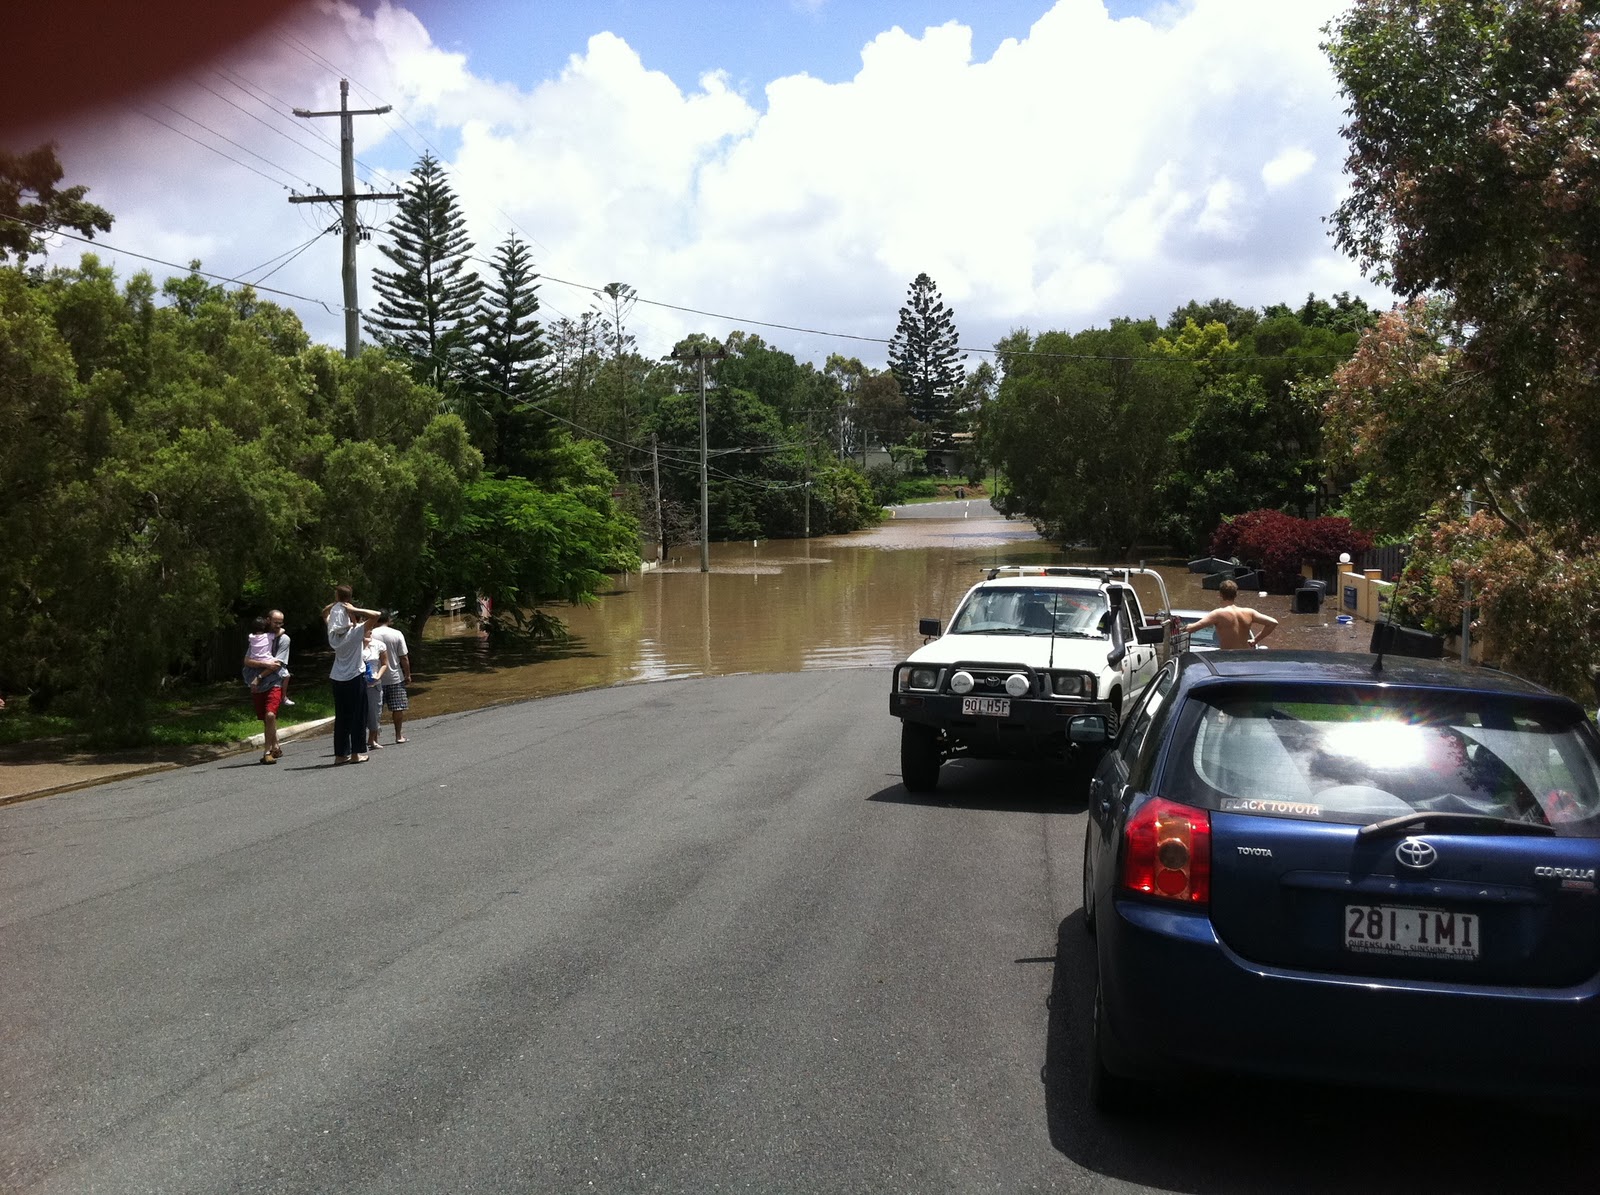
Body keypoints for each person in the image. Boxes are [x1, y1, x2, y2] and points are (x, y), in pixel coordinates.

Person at [324, 584, 382, 765]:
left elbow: (325, 615)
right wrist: (352, 608)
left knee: (342, 717)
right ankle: (357, 753)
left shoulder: (332, 635)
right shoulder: (356, 633)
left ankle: (340, 755)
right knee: (358, 715)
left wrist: (337, 603)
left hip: (337, 678)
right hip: (354, 677)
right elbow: (376, 615)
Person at [243, 611, 293, 764]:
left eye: (281, 623)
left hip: (274, 681)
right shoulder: (259, 638)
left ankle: (267, 752)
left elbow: (277, 664)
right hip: (257, 684)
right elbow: (247, 660)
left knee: (270, 715)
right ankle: (275, 746)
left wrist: (259, 676)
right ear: (268, 620)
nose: (278, 625)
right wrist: (264, 665)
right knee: (267, 718)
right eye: (275, 622)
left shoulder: (284, 640)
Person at [1186, 578, 1278, 650]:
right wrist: (1255, 640)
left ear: (1220, 594)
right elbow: (1273, 622)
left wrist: (1177, 626)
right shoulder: (1249, 612)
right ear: (1236, 594)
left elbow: (1191, 628)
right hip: (1245, 656)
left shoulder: (1218, 614)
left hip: (1228, 657)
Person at [371, 610, 412, 744]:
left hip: (375, 677)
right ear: (388, 619)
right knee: (398, 707)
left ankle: (374, 738)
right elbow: (403, 657)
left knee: (375, 710)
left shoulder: (370, 634)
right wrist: (407, 674)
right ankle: (398, 735)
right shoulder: (397, 634)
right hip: (395, 676)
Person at [361, 623, 389, 751]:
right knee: (359, 713)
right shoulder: (354, 645)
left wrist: (378, 675)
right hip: (358, 683)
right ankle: (358, 741)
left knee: (375, 713)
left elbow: (384, 664)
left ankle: (372, 740)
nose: (369, 631)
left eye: (369, 629)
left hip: (374, 684)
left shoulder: (379, 645)